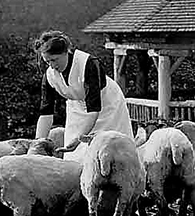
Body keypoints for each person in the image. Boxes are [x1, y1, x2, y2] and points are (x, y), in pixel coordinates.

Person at [32, 30, 134, 163]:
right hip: (77, 108)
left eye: (54, 60)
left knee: (110, 150)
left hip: (106, 106)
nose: (52, 65)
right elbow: (46, 112)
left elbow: (94, 110)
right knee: (76, 157)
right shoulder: (50, 75)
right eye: (47, 62)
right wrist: (38, 144)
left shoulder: (89, 63)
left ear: (65, 52)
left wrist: (79, 138)